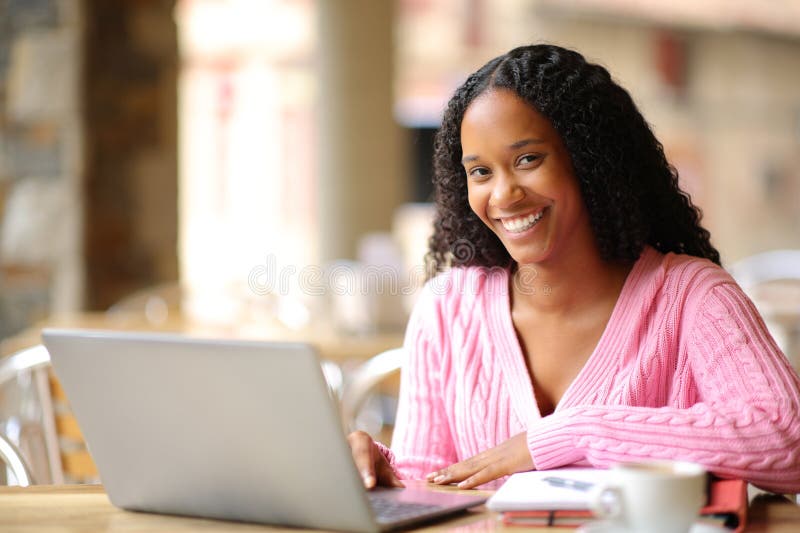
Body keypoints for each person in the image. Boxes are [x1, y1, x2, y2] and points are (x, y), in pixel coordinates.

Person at [347, 44, 800, 494]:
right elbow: (432, 482)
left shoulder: (693, 297)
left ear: (589, 161)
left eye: (528, 160)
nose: (503, 195)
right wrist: (382, 476)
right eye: (481, 172)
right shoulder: (446, 309)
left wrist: (566, 436)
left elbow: (786, 436)